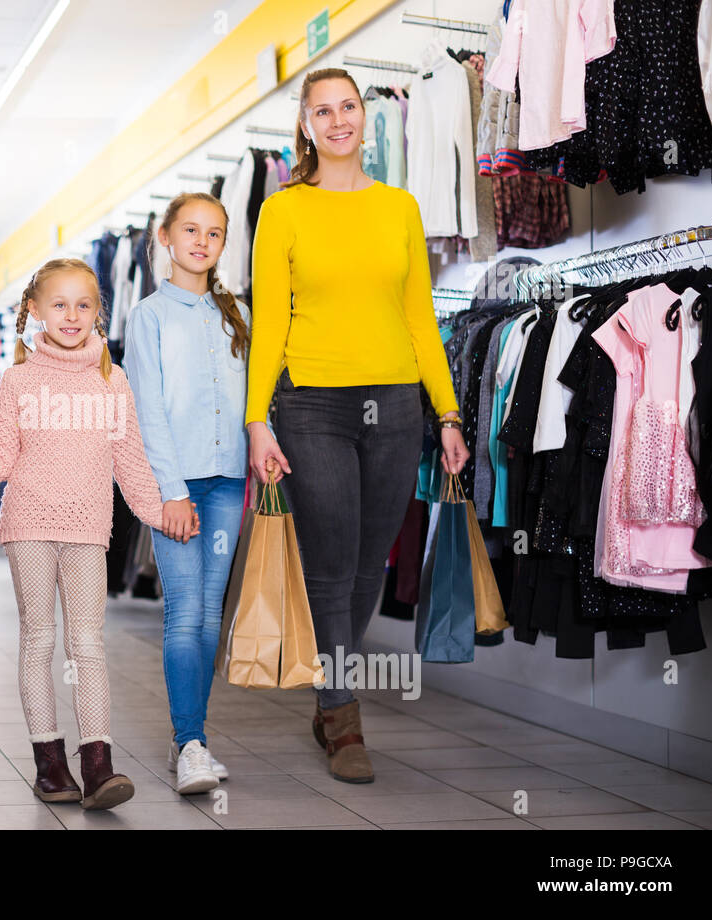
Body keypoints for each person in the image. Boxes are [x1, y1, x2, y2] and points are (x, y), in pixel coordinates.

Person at [245, 67, 470, 784]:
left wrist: (449, 411)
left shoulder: (399, 206)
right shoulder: (284, 210)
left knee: (370, 560)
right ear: (305, 126)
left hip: (397, 404)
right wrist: (258, 421)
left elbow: (419, 319)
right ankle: (343, 716)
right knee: (332, 561)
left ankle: (329, 684)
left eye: (349, 107)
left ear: (366, 119)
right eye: (323, 110)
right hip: (312, 405)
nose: (339, 120)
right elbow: (269, 321)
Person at [0, 258, 185, 810]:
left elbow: (130, 461)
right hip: (27, 525)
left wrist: (160, 510)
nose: (72, 316)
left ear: (99, 312)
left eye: (84, 305)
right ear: (35, 310)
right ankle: (50, 764)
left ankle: (98, 767)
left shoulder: (112, 380)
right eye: (60, 304)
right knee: (39, 640)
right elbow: (0, 458)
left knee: (88, 644)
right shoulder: (19, 381)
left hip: (89, 530)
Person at [123, 192, 249, 795]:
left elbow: (255, 403)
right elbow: (147, 409)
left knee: (207, 618)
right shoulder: (148, 316)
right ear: (166, 238)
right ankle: (192, 741)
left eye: (215, 233)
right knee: (184, 612)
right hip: (176, 486)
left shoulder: (238, 314)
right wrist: (169, 493)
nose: (203, 241)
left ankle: (189, 739)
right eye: (191, 230)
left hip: (229, 480)